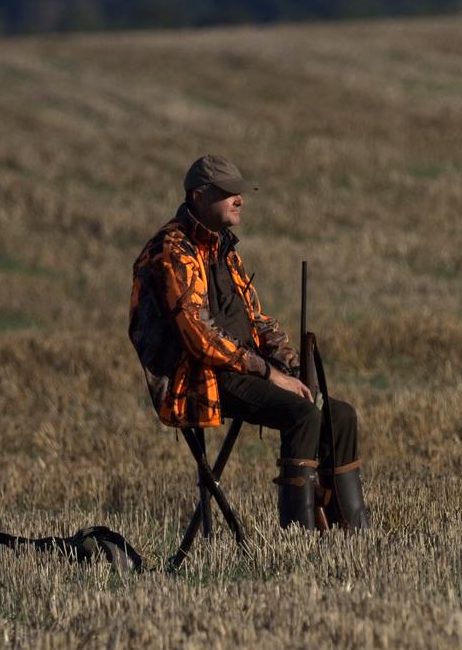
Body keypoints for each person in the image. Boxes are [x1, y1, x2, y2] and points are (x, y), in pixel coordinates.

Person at [128, 154, 367, 530]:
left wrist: (292, 368)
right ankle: (298, 537)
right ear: (199, 196)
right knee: (302, 415)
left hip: (244, 368)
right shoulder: (171, 250)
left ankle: (353, 530)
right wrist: (270, 374)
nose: (239, 199)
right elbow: (199, 339)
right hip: (200, 379)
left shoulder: (223, 249)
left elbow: (257, 319)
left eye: (239, 192)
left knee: (340, 415)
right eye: (228, 193)